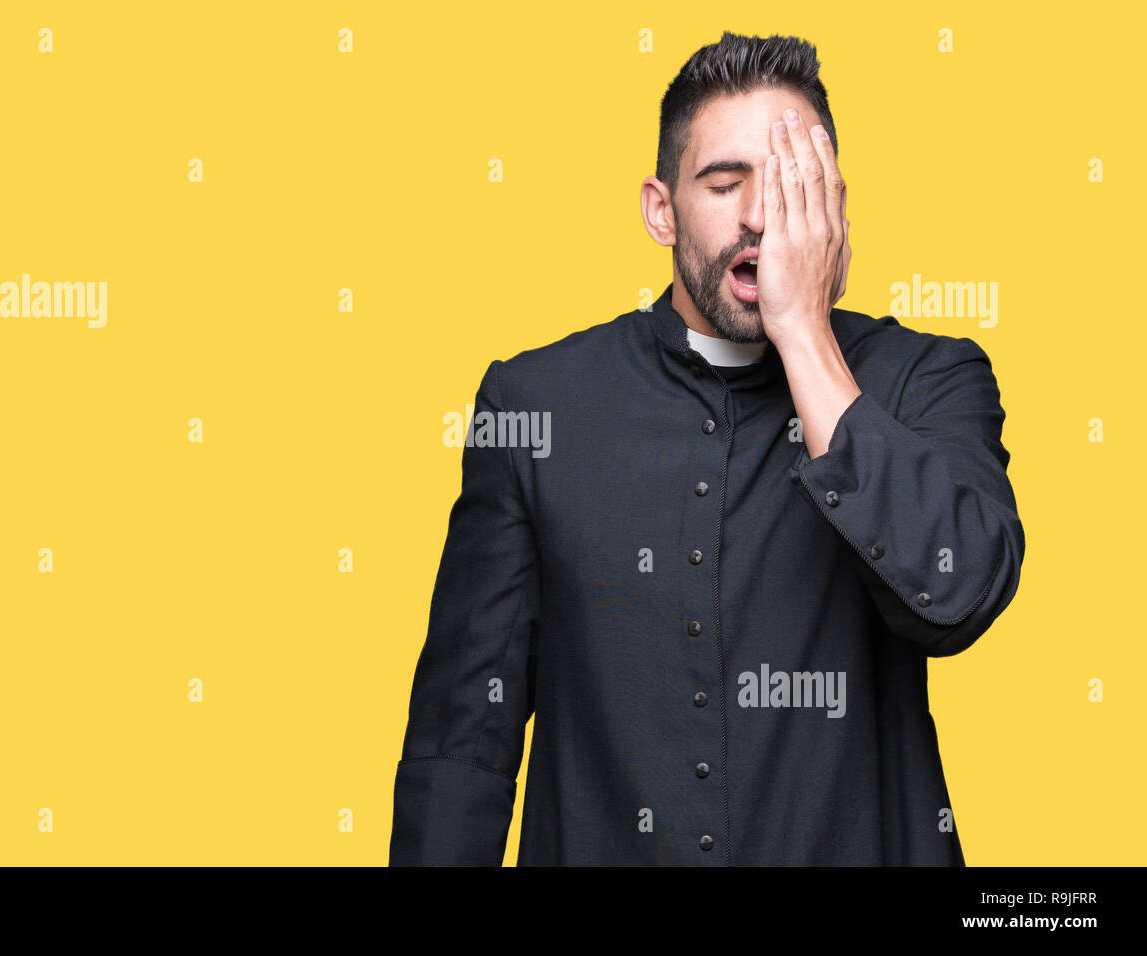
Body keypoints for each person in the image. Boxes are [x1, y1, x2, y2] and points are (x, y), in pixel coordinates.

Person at [389, 30, 1025, 866]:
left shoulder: (929, 379)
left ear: (835, 202)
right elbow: (462, 738)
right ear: (662, 210)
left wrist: (804, 334)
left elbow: (960, 591)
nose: (761, 216)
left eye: (794, 184)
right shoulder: (533, 405)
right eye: (725, 184)